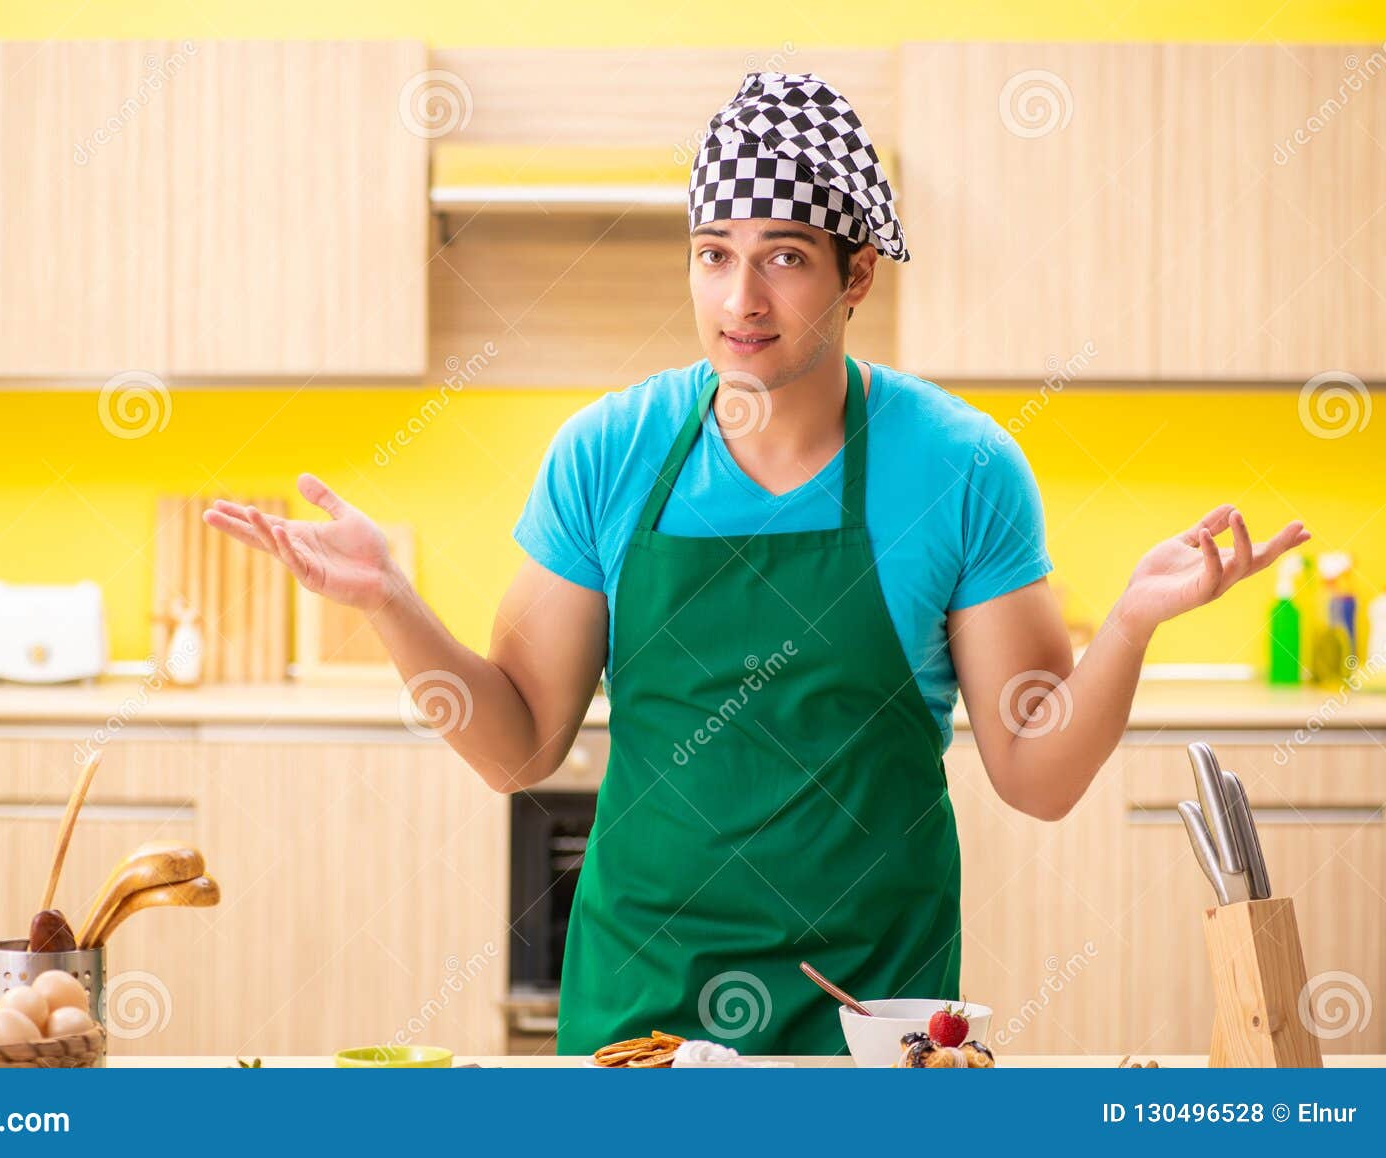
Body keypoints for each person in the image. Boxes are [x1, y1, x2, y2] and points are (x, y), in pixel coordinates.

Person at [206, 72, 1309, 1054]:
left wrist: (1126, 627)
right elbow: (517, 748)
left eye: (783, 256)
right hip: (644, 999)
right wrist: (391, 604)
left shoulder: (962, 465)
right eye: (714, 255)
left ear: (857, 274)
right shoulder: (608, 452)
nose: (741, 300)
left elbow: (1038, 775)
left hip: (874, 1012)